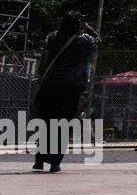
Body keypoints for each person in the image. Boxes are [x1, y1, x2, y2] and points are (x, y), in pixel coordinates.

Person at [31, 11, 99, 172]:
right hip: (70, 87)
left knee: (46, 123)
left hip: (50, 85)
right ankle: (55, 163)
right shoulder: (83, 41)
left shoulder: (53, 37)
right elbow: (97, 39)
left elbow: (48, 45)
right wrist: (88, 28)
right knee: (63, 125)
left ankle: (39, 159)